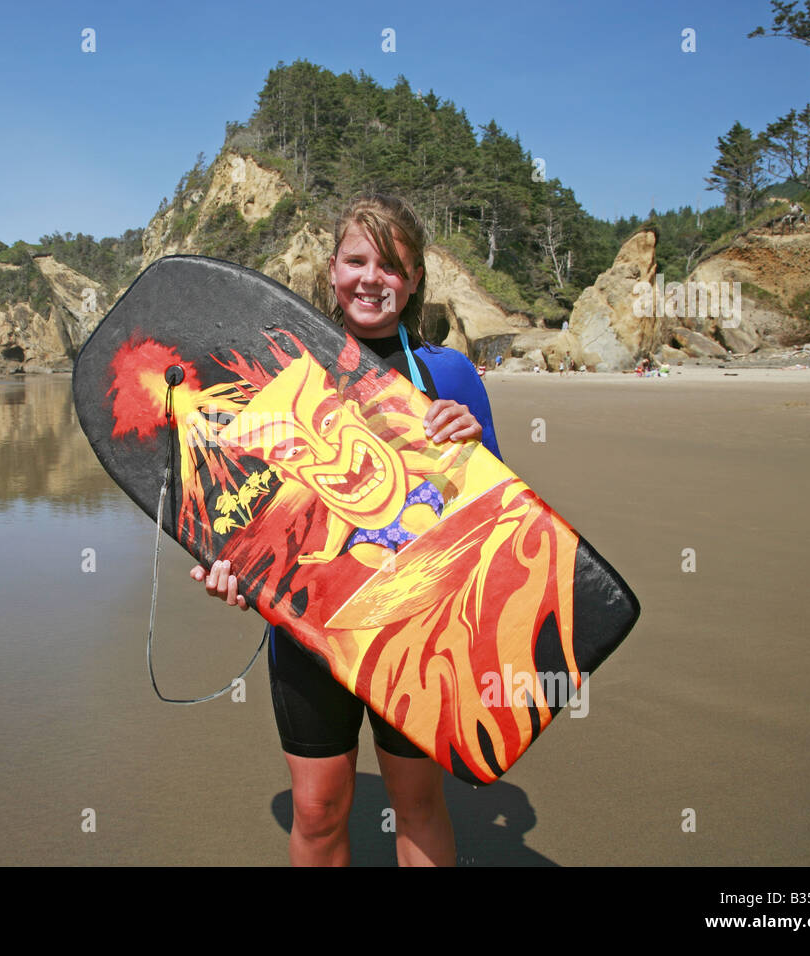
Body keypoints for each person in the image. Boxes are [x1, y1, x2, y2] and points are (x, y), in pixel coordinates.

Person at [189, 195, 501, 866]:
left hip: (415, 627)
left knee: (417, 808)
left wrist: (470, 448)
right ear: (331, 270)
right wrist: (228, 568)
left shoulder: (448, 375)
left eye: (391, 265)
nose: (371, 278)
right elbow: (248, 510)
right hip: (310, 630)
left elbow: (498, 516)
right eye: (356, 260)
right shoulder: (284, 377)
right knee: (318, 810)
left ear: (415, 279)